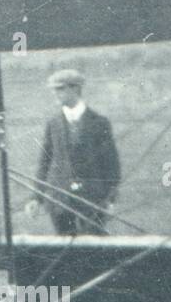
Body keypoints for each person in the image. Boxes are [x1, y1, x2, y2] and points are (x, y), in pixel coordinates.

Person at [28, 68, 120, 234]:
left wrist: (111, 200)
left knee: (94, 248)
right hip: (59, 200)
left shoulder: (99, 123)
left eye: (60, 89)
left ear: (76, 89)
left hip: (93, 200)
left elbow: (111, 165)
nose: (56, 94)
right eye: (55, 89)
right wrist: (36, 198)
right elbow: (44, 162)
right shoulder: (53, 124)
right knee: (64, 251)